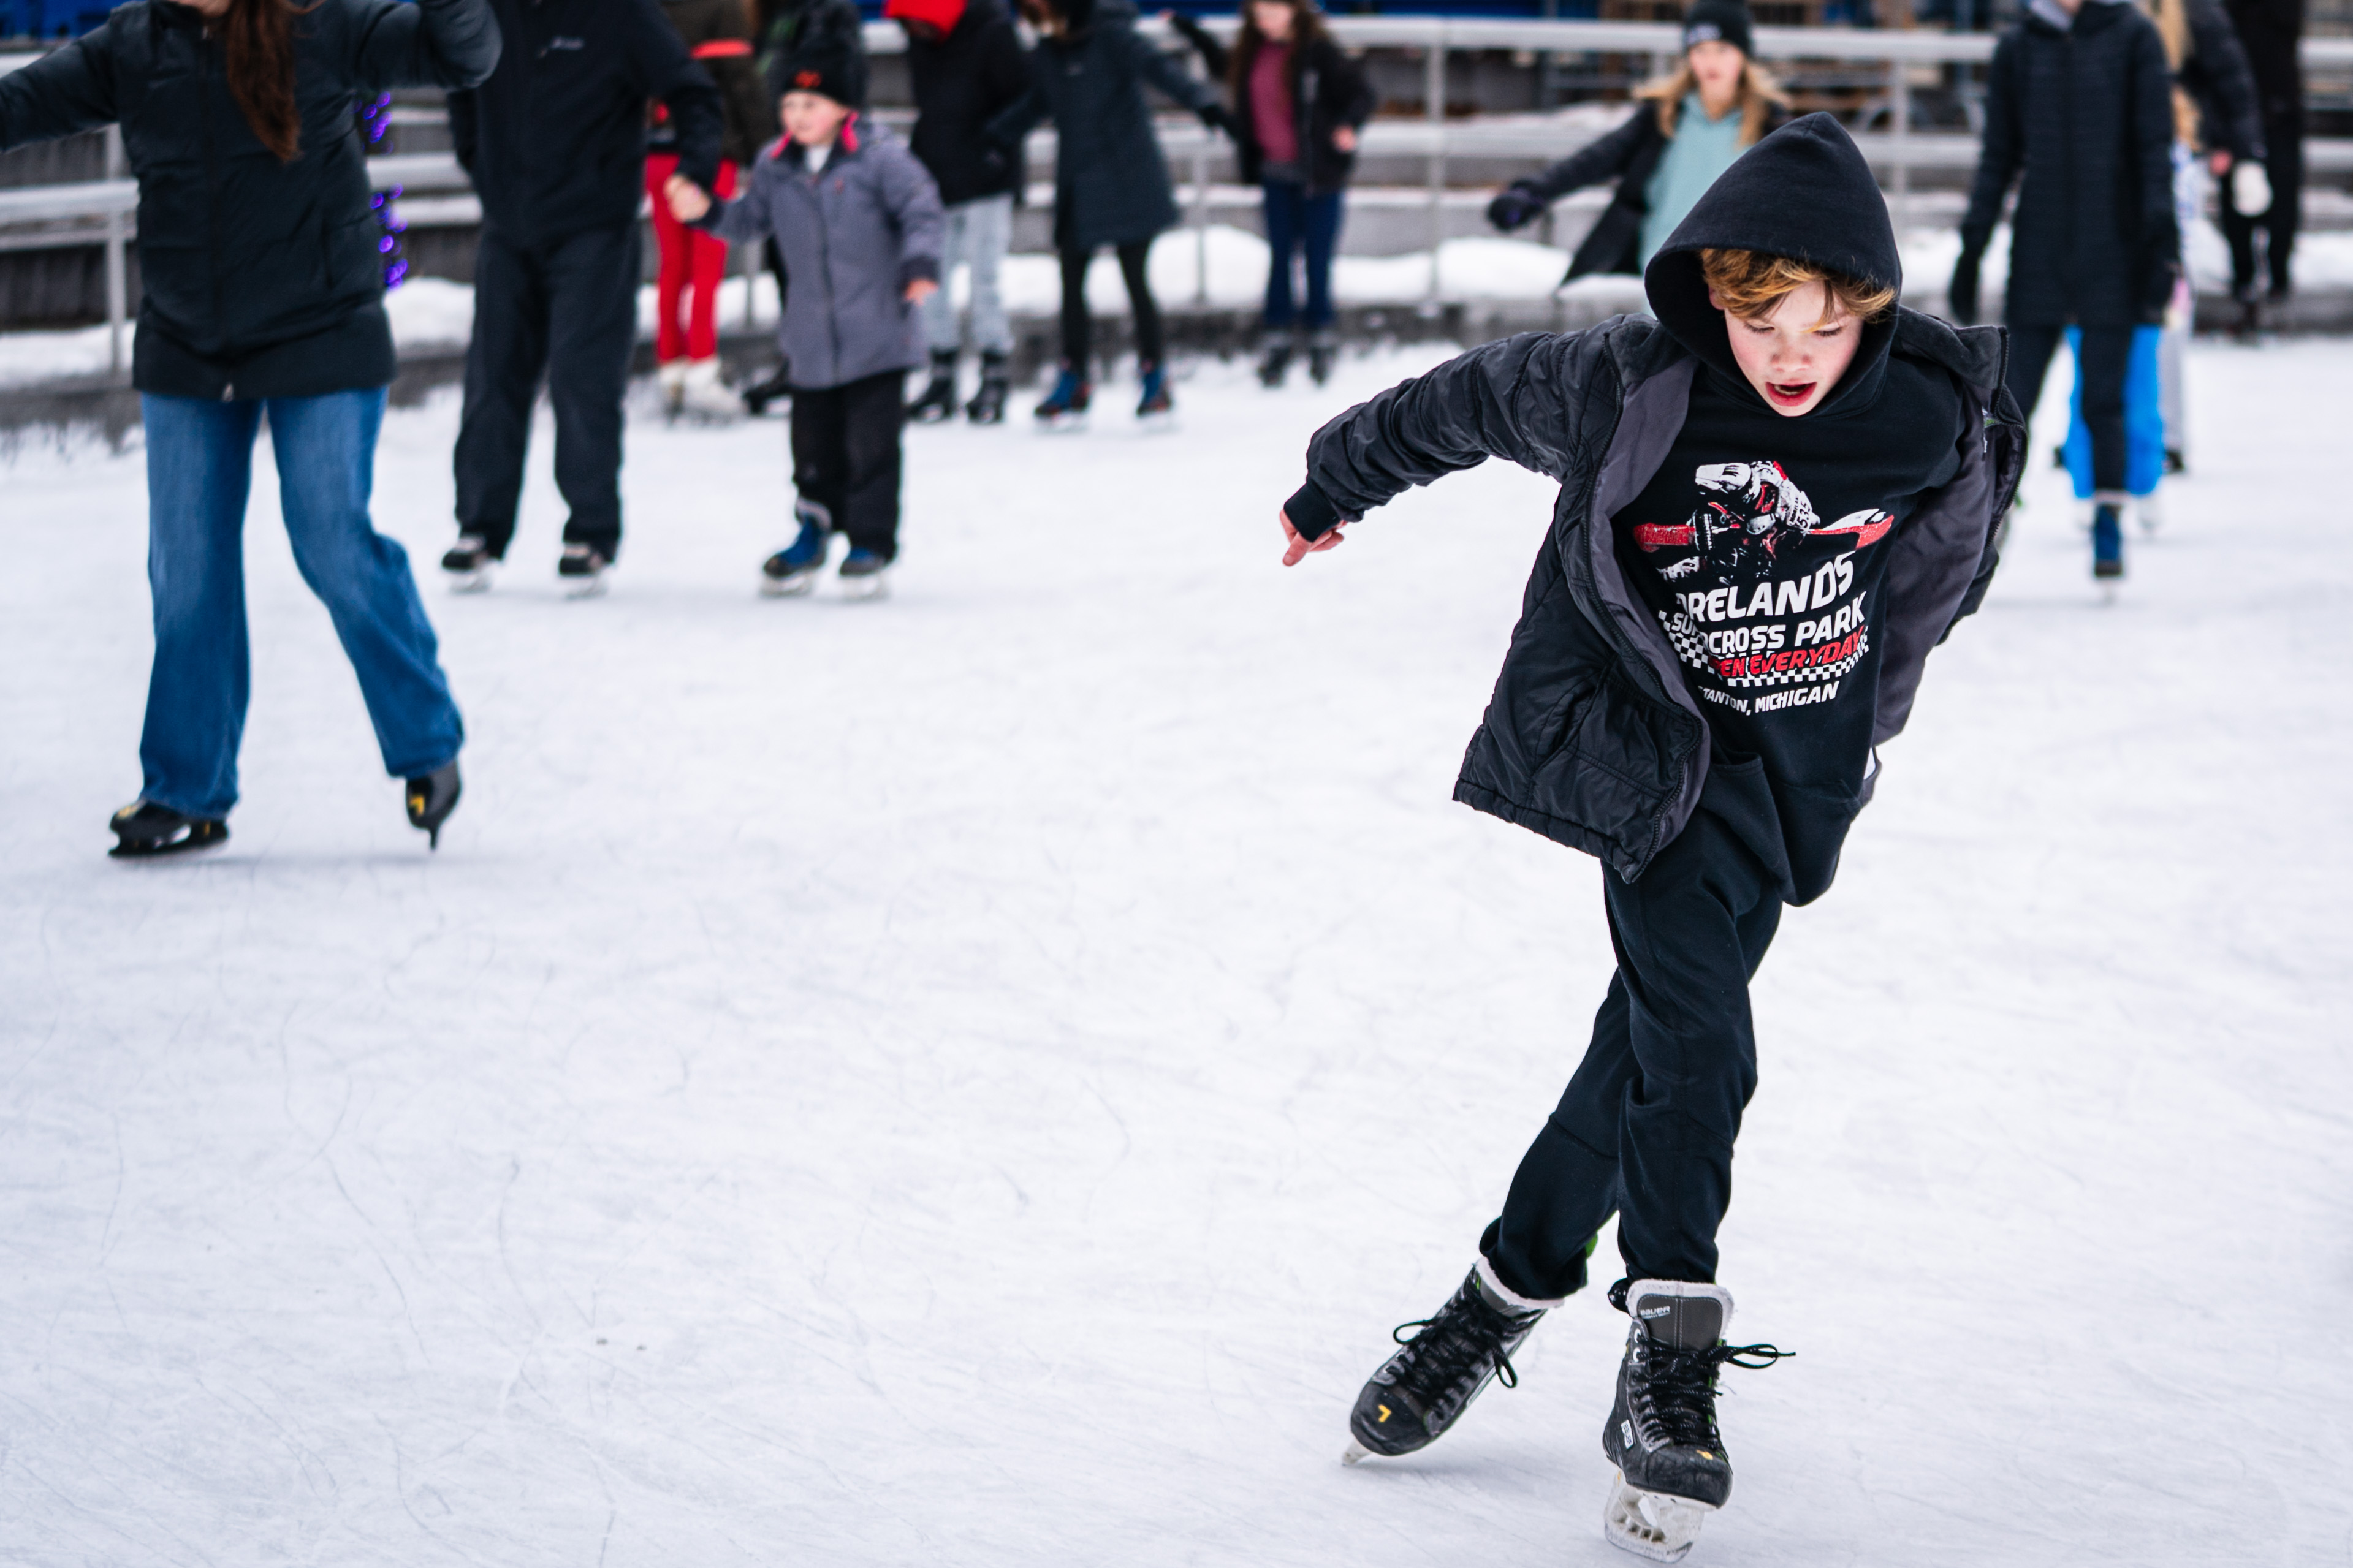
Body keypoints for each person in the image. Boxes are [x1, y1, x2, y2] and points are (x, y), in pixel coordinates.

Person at [1276, 117, 2024, 1562]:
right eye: (1761, 319)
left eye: (1825, 317)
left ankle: (1496, 1293)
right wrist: (1330, 485)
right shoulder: (1634, 386)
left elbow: (1947, 557)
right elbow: (1457, 402)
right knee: (1698, 1026)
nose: (1792, 351)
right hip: (1657, 753)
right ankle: (1668, 1343)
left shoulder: (1929, 406)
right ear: (1715, 302)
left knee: (1646, 1040)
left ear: (1868, 304)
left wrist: (1869, 702)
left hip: (1798, 767)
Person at [0, 0, 499, 858]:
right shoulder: (133, 46)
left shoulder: (326, 24)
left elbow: (465, 57)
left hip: (323, 331)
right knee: (186, 568)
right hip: (190, 345)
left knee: (330, 539)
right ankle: (187, 789)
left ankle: (425, 739)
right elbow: (20, 106)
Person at [438, 0, 724, 596]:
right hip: (507, 227)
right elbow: (461, 85)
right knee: (492, 379)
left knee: (581, 379)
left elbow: (694, 92)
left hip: (593, 229)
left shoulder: (621, 15)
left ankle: (590, 533)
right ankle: (480, 530)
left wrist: (694, 169)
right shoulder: (490, 13)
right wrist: (482, 167)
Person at [666, 37, 943, 600]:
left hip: (878, 336)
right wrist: (708, 212)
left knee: (871, 448)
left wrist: (919, 264)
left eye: (810, 105)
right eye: (788, 105)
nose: (797, 116)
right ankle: (813, 529)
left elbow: (922, 209)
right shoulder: (775, 164)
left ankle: (869, 542)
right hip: (811, 341)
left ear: (844, 106)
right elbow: (748, 222)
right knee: (812, 447)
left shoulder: (880, 157)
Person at [1952, 0, 2176, 588]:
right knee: (2012, 401)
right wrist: (1971, 248)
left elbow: (2154, 151)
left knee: (2104, 399)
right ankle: (1991, 523)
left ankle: (2108, 520)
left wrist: (2160, 246)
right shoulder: (2019, 46)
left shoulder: (2133, 37)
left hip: (2115, 250)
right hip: (2040, 251)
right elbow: (1997, 156)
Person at [989, 0, 1231, 427]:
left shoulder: (1111, 35)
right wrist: (995, 137)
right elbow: (1039, 102)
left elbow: (1161, 70)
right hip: (1078, 183)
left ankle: (1155, 376)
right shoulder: (1049, 50)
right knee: (1070, 285)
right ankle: (1074, 378)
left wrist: (1205, 105)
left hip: (1127, 176)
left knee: (1136, 281)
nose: (1036, 21)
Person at [1488, 0, 1787, 288]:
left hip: (1739, 273)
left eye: (1722, 50)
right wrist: (1533, 192)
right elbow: (1598, 158)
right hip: (1667, 266)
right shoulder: (1663, 116)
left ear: (1743, 54)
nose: (1710, 61)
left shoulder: (1768, 125)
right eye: (1699, 50)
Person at [1168, 0, 1372, 387]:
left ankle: (1320, 335)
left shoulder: (1318, 52)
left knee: (1316, 258)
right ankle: (1276, 338)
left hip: (1318, 175)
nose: (1266, 22)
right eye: (1258, 14)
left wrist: (1347, 126)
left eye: (1273, 12)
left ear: (1295, 10)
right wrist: (1187, 28)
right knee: (1280, 257)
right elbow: (1221, 65)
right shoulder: (1253, 51)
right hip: (1274, 174)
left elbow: (1360, 94)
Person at [888, 0, 1030, 426]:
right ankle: (942, 370)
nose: (912, 30)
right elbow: (931, 108)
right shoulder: (919, 43)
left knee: (984, 276)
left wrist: (996, 146)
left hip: (988, 173)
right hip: (935, 173)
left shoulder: (992, 32)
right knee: (931, 276)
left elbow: (1025, 96)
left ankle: (994, 367)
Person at [737, 0, 867, 415]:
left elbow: (845, 85)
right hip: (783, 159)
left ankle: (847, 366)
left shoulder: (829, 12)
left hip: (822, 163)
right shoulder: (774, 17)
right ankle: (800, 361)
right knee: (787, 266)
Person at [650, 0, 777, 421]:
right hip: (709, 151)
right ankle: (703, 368)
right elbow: (743, 86)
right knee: (707, 266)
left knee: (672, 265)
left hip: (656, 152)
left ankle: (671, 366)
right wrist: (765, 153)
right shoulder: (722, 9)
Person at [2221, 0, 2302, 321]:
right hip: (2236, 103)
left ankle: (2277, 274)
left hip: (2280, 104)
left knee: (2284, 196)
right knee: (2236, 197)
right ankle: (2243, 276)